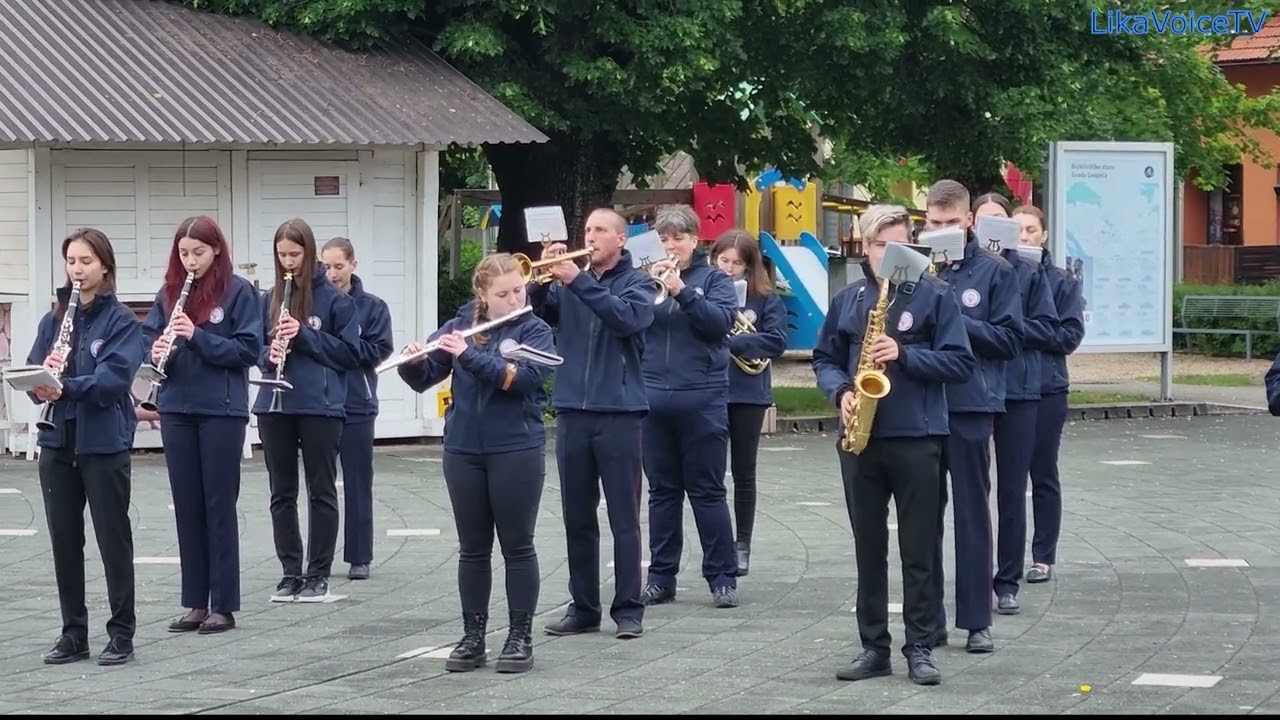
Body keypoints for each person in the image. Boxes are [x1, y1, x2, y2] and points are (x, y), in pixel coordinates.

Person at [812, 205, 975, 686]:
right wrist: (840, 391)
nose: (891, 254)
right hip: (860, 436)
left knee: (919, 547)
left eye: (901, 244)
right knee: (869, 547)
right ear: (865, 246)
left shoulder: (935, 295)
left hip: (917, 435)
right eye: (882, 245)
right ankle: (873, 647)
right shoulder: (847, 300)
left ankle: (920, 646)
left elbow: (960, 363)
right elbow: (824, 358)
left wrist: (905, 354)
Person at [396, 253, 558, 674]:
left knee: (518, 545)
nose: (512, 299)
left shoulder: (535, 329)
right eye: (502, 294)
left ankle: (520, 636)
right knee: (472, 548)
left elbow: (521, 381)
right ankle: (473, 637)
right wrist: (413, 361)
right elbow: (426, 377)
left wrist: (468, 355)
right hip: (464, 448)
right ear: (482, 295)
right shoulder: (461, 323)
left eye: (518, 290)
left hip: (516, 447)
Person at [529, 208, 655, 640]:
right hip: (571, 410)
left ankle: (629, 609)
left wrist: (576, 280)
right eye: (587, 230)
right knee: (577, 516)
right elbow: (536, 314)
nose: (591, 236)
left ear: (621, 239)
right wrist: (541, 277)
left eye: (600, 230)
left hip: (620, 412)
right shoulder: (568, 284)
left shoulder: (640, 282)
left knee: (624, 518)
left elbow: (625, 319)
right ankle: (583, 607)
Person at [25, 228, 144, 666]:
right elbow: (33, 372)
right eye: (71, 261)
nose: (77, 269)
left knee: (114, 540)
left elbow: (114, 382)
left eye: (86, 261)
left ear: (105, 267)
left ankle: (122, 633)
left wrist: (65, 386)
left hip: (102, 442)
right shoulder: (53, 318)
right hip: (58, 440)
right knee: (64, 541)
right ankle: (73, 632)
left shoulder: (123, 322)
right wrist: (42, 380)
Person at [141, 216, 263, 635]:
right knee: (187, 504)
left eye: (198, 253)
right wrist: (160, 347)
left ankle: (223, 604)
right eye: (183, 253)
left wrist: (195, 335)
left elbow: (248, 350)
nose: (190, 261)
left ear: (216, 251)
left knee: (218, 504)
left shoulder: (239, 292)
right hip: (176, 407)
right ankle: (195, 601)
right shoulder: (169, 293)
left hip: (221, 409)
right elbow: (149, 340)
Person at [924, 180, 1024, 654]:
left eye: (949, 222)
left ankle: (977, 618)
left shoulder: (995, 270)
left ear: (968, 221)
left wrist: (951, 317)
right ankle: (927, 620)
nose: (940, 229)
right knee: (922, 517)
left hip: (970, 403)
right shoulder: (913, 267)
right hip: (920, 404)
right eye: (933, 222)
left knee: (970, 513)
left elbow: (1009, 340)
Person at [638, 204, 741, 608]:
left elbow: (718, 324)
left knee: (708, 491)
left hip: (702, 398)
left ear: (695, 240)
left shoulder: (714, 279)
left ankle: (722, 577)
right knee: (662, 493)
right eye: (663, 238)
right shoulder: (644, 280)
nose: (670, 245)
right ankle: (661, 577)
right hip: (652, 398)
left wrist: (681, 290)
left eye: (678, 238)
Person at [254, 218, 361, 603]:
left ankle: (319, 573)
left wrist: (305, 335)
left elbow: (350, 354)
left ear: (309, 253)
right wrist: (270, 354)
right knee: (281, 492)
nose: (288, 263)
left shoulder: (336, 301)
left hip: (320, 404)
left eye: (295, 255)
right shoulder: (268, 298)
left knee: (321, 489)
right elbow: (254, 349)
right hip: (275, 403)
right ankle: (289, 572)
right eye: (282, 255)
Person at [972, 194, 1058, 615]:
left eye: (1000, 221)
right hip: (974, 387)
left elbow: (1048, 327)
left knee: (1012, 487)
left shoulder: (1026, 270)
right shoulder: (960, 269)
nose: (992, 229)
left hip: (1020, 386)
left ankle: (1007, 580)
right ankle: (973, 576)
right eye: (984, 221)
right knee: (974, 488)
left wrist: (1006, 326)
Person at [709, 230, 788, 576]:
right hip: (709, 391)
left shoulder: (765, 299)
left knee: (744, 472)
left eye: (737, 263)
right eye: (723, 261)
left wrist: (731, 343)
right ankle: (718, 546)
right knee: (709, 477)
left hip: (748, 393)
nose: (729, 269)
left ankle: (742, 544)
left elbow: (776, 341)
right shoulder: (704, 293)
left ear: (749, 266)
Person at [1014, 204, 1085, 584]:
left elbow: (1069, 337)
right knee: (1007, 478)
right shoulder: (1001, 276)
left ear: (1043, 235)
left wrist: (1019, 329)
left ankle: (1043, 556)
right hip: (1006, 387)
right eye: (1017, 230)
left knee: (1042, 472)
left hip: (1046, 387)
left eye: (1030, 229)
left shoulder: (1062, 281)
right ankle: (1005, 556)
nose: (1023, 236)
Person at [320, 237, 395, 581]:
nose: (332, 274)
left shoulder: (373, 307)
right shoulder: (315, 302)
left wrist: (337, 347)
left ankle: (359, 556)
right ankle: (317, 557)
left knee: (358, 480)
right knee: (319, 484)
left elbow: (379, 350)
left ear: (354, 264)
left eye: (339, 266)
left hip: (357, 402)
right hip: (320, 402)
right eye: (326, 266)